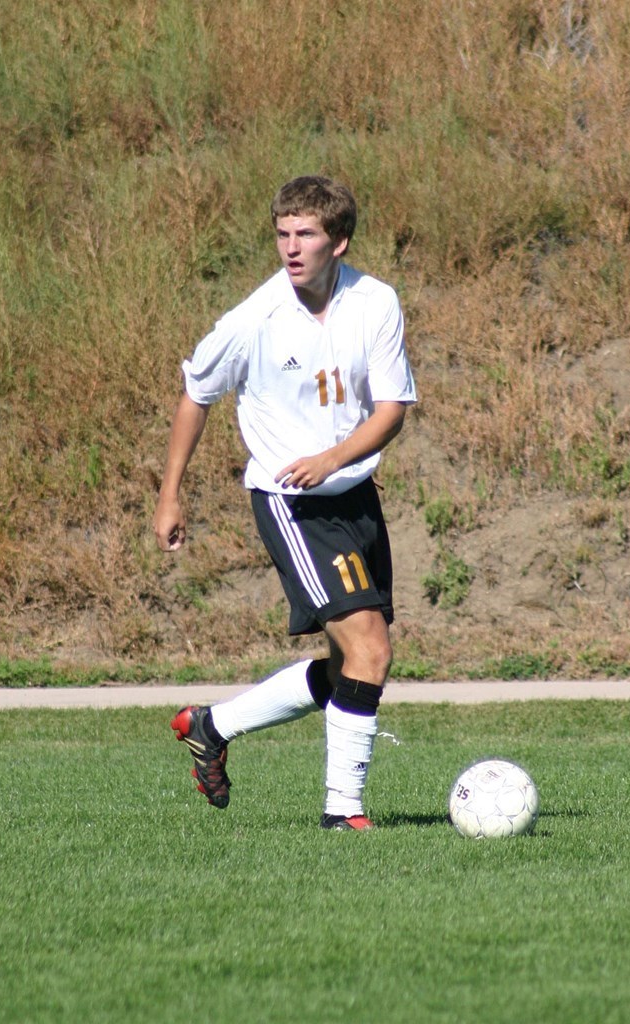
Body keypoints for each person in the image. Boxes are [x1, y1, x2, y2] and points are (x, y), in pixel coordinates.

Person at [153, 175, 417, 830]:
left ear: (340, 241)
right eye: (282, 233)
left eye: (305, 234)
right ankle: (342, 812)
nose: (291, 248)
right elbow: (196, 394)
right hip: (290, 501)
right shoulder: (253, 321)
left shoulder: (375, 302)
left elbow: (392, 410)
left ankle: (213, 726)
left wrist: (335, 459)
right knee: (371, 652)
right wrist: (170, 495)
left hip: (350, 492)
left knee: (353, 662)